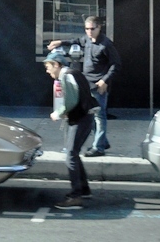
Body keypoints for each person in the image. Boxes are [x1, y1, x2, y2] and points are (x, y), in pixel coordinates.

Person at [47, 15, 121, 157]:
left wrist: (105, 80)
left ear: (99, 27)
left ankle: (99, 147)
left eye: (92, 29)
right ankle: (103, 141)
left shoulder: (106, 45)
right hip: (86, 83)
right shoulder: (87, 39)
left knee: (99, 116)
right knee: (90, 114)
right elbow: (76, 41)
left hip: (99, 85)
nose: (89, 31)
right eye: (87, 28)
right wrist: (59, 42)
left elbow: (116, 64)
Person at [43, 47, 96, 209]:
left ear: (57, 64)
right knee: (74, 153)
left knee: (70, 155)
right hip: (84, 117)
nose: (47, 71)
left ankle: (75, 196)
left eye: (49, 66)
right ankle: (84, 189)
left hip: (81, 118)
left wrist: (58, 113)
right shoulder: (72, 73)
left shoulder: (66, 76)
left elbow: (71, 101)